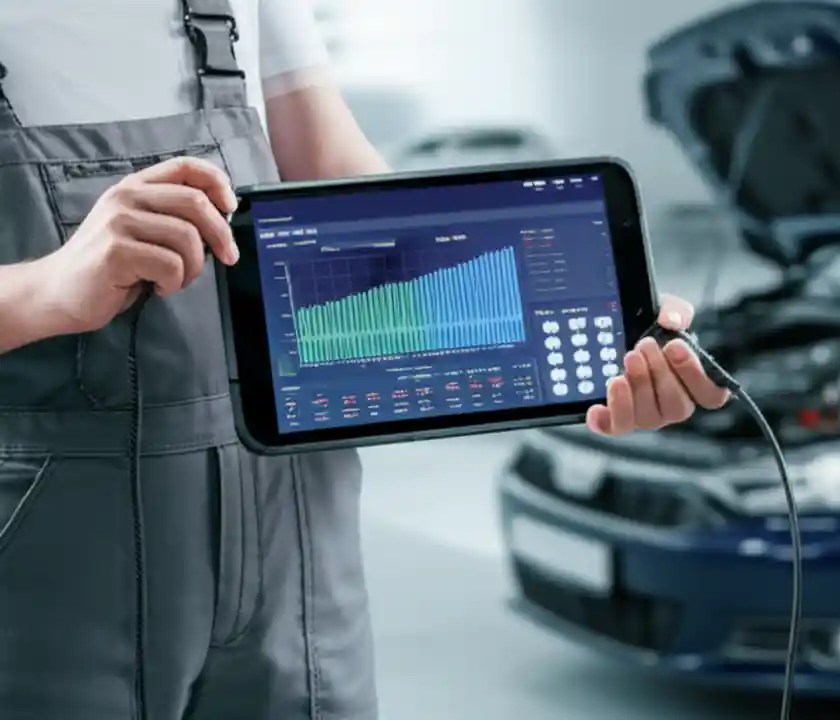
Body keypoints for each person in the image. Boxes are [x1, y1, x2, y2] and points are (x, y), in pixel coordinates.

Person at [0, 2, 728, 719]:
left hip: (295, 538)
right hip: (55, 555)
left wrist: (588, 321)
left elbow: (342, 185)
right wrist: (45, 290)